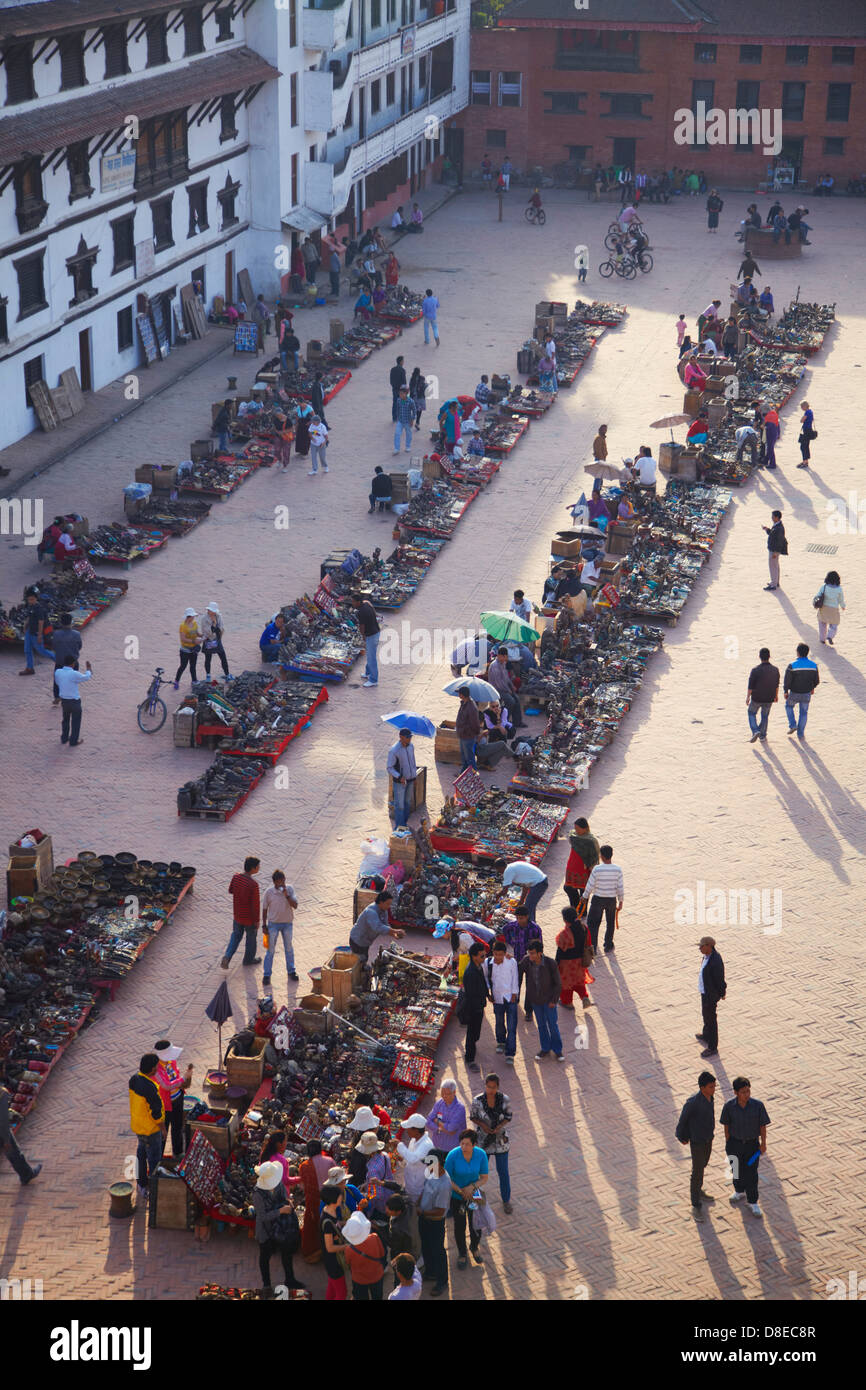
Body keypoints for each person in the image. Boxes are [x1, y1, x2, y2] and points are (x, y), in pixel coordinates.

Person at [721, 1077, 770, 1218]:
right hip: (734, 1145)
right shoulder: (729, 1106)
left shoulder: (758, 1106)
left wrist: (763, 1143)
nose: (746, 1094)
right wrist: (728, 1141)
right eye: (743, 1092)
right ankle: (739, 1191)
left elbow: (762, 1126)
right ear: (736, 1093)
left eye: (748, 1091)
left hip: (752, 1146)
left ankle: (753, 1202)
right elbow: (726, 1124)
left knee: (751, 1173)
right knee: (735, 1169)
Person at [253, 1160, 304, 1289]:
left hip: (281, 1227)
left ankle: (290, 1279)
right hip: (265, 1230)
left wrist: (289, 1202)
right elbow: (262, 1216)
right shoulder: (257, 1194)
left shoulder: (279, 1184)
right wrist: (280, 1211)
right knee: (265, 1256)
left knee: (286, 1254)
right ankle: (267, 1284)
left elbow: (284, 1197)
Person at [675, 1072, 717, 1222]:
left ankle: (699, 1190)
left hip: (708, 1138)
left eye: (714, 1086)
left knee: (703, 1164)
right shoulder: (693, 1102)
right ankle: (696, 1204)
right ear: (702, 1087)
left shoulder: (710, 1097)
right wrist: (681, 1137)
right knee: (697, 1170)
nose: (714, 1089)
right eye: (711, 1087)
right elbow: (682, 1120)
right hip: (697, 1141)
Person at [445, 1129, 489, 1268]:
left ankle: (474, 1247)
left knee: (476, 1223)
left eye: (467, 1144)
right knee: (460, 1225)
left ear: (474, 1144)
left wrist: (472, 1187)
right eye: (462, 1144)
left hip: (474, 1195)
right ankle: (462, 1253)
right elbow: (447, 1177)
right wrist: (460, 1190)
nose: (464, 1147)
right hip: (457, 1197)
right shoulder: (453, 1155)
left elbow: (484, 1178)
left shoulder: (481, 1155)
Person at [470, 1073, 513, 1212]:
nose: (491, 1090)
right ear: (485, 1086)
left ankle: (506, 1201)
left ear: (498, 1087)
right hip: (483, 1140)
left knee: (503, 1172)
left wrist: (498, 1127)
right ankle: (476, 1198)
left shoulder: (505, 1099)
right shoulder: (477, 1100)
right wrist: (484, 1126)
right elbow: (473, 1117)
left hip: (500, 1140)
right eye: (488, 1087)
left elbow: (508, 1116)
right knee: (478, 1172)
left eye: (493, 1087)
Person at [519, 939, 563, 1062]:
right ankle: (545, 1048)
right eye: (529, 953)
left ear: (540, 953)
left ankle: (558, 1050)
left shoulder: (550, 963)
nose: (530, 955)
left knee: (553, 1025)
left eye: (532, 953)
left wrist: (554, 1000)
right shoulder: (526, 961)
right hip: (535, 1001)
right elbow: (517, 969)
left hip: (549, 1001)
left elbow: (558, 984)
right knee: (542, 1025)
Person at [129, 1053, 165, 1197]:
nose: (157, 1068)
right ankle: (154, 1190)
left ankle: (141, 1184)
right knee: (154, 1160)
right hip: (151, 1130)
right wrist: (162, 1128)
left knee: (141, 1155)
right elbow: (156, 1113)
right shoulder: (150, 1088)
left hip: (139, 1127)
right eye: (156, 1066)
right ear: (151, 1069)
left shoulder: (134, 1080)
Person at [417, 1148, 451, 1296]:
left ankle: (442, 1281)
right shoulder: (431, 1173)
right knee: (426, 1247)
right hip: (424, 1219)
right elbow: (424, 1191)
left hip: (435, 1222)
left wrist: (422, 1212)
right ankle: (430, 1272)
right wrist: (417, 1204)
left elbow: (440, 1211)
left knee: (438, 1251)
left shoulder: (444, 1184)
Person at [581, 845, 624, 955]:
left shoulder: (597, 869)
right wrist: (621, 901)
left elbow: (590, 885)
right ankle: (608, 944)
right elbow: (620, 887)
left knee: (593, 924)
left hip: (598, 899)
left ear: (602, 856)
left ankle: (593, 947)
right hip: (611, 900)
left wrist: (585, 896)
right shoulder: (618, 870)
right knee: (610, 923)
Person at [220, 856, 261, 969]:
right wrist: (257, 921)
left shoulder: (236, 877)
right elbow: (255, 905)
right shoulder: (253, 885)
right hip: (249, 918)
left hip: (237, 915)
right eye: (258, 866)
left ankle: (227, 957)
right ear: (253, 868)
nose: (259, 868)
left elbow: (231, 890)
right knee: (251, 939)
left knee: (236, 936)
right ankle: (248, 959)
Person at [153, 1040, 192, 1157]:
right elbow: (166, 1086)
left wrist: (183, 1079)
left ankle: (178, 1152)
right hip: (166, 1104)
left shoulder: (171, 1061)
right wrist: (183, 1079)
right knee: (163, 1133)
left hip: (178, 1098)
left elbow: (175, 1075)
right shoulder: (156, 1069)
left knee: (177, 1127)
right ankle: (158, 1158)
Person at [0, 1074, 41, 1184]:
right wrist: (6, 1139)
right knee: (14, 1152)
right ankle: (26, 1174)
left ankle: (26, 1173)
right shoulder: (2, 1094)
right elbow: (3, 1120)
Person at [484, 938, 519, 1064]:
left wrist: (515, 993)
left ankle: (510, 1053)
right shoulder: (488, 963)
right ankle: (501, 1042)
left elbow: (515, 977)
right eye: (496, 954)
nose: (498, 957)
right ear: (493, 953)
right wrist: (489, 992)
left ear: (505, 953)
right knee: (499, 1022)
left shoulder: (511, 962)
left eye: (500, 954)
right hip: (497, 997)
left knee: (511, 1026)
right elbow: (486, 978)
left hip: (510, 997)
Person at [262, 870, 298, 986]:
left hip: (287, 924)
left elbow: (295, 905)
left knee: (289, 948)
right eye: (280, 882)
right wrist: (264, 925)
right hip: (273, 924)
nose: (282, 884)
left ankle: (291, 971)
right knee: (270, 950)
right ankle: (267, 975)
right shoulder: (269, 892)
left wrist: (287, 896)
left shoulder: (290, 889)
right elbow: (264, 909)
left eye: (283, 881)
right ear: (275, 882)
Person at [298, 1139, 332, 1262]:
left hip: (312, 1201)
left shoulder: (304, 1166)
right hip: (329, 1200)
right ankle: (329, 1251)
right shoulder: (330, 1161)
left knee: (311, 1226)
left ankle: (312, 1253)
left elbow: (302, 1186)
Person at [342, 1210, 387, 1299]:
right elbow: (382, 1253)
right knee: (377, 1297)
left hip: (359, 1279)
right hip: (376, 1275)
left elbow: (348, 1264)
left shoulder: (348, 1249)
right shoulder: (374, 1237)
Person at [350, 890, 405, 963]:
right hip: (357, 940)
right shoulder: (371, 911)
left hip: (366, 941)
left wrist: (394, 934)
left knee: (364, 959)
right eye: (387, 904)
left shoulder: (384, 911)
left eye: (390, 904)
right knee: (359, 961)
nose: (389, 907)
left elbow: (385, 925)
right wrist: (395, 931)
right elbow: (377, 927)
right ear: (381, 902)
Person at [695, 935, 726, 1058]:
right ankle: (706, 1035)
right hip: (704, 992)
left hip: (711, 995)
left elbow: (719, 979)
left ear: (709, 946)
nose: (700, 949)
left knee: (711, 1019)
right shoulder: (707, 956)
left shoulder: (715, 960)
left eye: (701, 946)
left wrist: (722, 992)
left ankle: (712, 1047)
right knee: (706, 1016)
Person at [395, 1112, 434, 1208]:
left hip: (419, 1188)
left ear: (416, 1130)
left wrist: (399, 1145)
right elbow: (409, 1159)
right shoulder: (413, 1140)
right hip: (410, 1185)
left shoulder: (426, 1145)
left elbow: (413, 1159)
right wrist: (401, 1159)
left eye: (409, 1128)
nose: (407, 1131)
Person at [461, 941, 489, 1074]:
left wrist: (487, 995)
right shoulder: (471, 972)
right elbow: (471, 994)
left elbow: (483, 983)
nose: (484, 957)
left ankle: (471, 1049)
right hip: (473, 1008)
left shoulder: (478, 966)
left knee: (475, 1032)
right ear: (474, 956)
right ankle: (470, 1059)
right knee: (472, 1033)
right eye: (481, 955)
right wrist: (477, 1007)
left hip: (479, 1005)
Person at [556, 906, 591, 1010]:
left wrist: (556, 963)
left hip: (566, 963)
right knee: (579, 980)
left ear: (564, 919)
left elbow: (560, 951)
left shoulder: (564, 934)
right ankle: (584, 997)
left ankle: (567, 1003)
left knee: (566, 984)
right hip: (580, 961)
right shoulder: (584, 928)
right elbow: (588, 943)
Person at [784, 642, 820, 739]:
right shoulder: (814, 665)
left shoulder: (792, 665)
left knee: (788, 706)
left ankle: (792, 724)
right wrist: (812, 688)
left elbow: (787, 680)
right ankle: (800, 733)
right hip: (806, 693)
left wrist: (785, 691)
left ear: (798, 652)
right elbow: (816, 681)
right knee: (803, 713)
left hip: (794, 692)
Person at [319, 1183, 349, 1300]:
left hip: (332, 1260)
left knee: (332, 1287)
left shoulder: (330, 1210)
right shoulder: (327, 1222)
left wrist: (346, 1223)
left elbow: (336, 1224)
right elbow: (330, 1247)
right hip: (333, 1261)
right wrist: (346, 1247)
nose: (341, 1197)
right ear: (333, 1199)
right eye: (339, 1196)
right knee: (342, 1293)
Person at [56, 655, 92, 748]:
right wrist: (88, 669)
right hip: (74, 701)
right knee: (76, 721)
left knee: (65, 719)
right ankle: (73, 741)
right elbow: (86, 677)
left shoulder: (58, 672)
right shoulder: (74, 674)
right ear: (72, 664)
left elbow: (57, 682)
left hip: (64, 701)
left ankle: (64, 738)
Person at [564, 816, 600, 908]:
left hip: (583, 870)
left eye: (578, 828)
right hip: (572, 867)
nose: (576, 830)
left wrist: (594, 872)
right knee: (568, 888)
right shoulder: (573, 836)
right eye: (575, 828)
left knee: (583, 891)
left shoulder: (591, 841)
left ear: (585, 828)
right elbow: (569, 837)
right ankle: (575, 906)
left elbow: (594, 857)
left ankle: (582, 911)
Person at [746, 647, 780, 743]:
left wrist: (748, 697)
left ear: (759, 657)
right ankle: (762, 736)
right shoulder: (775, 670)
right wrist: (776, 696)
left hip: (757, 697)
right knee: (765, 716)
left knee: (751, 713)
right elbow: (777, 685)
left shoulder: (755, 670)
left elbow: (750, 686)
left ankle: (755, 730)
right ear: (769, 656)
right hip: (769, 697)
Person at [486, 646, 525, 728]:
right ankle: (504, 721)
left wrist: (512, 686)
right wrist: (508, 690)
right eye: (504, 657)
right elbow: (499, 683)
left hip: (504, 688)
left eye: (506, 657)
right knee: (510, 701)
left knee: (517, 699)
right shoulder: (494, 666)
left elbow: (506, 678)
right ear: (499, 656)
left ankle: (517, 722)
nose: (506, 659)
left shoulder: (503, 663)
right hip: (496, 690)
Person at [19, 587, 54, 676]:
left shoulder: (39, 609)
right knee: (27, 650)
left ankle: (59, 661)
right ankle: (30, 668)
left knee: (41, 651)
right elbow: (29, 616)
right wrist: (25, 624)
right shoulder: (31, 606)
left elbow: (41, 622)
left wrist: (39, 635)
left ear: (36, 598)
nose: (30, 601)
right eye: (29, 599)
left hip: (36, 633)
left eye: (32, 599)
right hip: (29, 631)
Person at [387, 727, 417, 827]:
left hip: (410, 779)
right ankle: (399, 826)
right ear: (401, 737)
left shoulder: (411, 746)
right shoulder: (394, 751)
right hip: (400, 782)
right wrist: (399, 777)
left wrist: (414, 776)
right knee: (399, 805)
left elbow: (413, 762)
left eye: (410, 737)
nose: (409, 739)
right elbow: (389, 768)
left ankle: (404, 823)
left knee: (407, 802)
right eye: (407, 737)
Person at [350, 591, 380, 689]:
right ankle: (368, 673)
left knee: (372, 657)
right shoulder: (366, 604)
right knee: (370, 654)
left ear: (358, 602)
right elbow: (369, 604)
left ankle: (373, 680)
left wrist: (363, 637)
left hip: (371, 635)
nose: (352, 603)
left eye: (353, 602)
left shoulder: (361, 612)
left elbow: (361, 626)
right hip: (376, 631)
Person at [453, 684, 481, 772]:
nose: (458, 695)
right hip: (462, 735)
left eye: (459, 693)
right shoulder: (464, 703)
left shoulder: (471, 707)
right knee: (464, 757)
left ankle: (474, 777)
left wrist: (468, 731)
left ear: (462, 695)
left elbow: (475, 724)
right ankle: (463, 774)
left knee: (470, 758)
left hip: (468, 736)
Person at [814, 570, 845, 646]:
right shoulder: (839, 589)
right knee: (834, 625)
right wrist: (843, 606)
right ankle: (830, 636)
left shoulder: (824, 587)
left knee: (822, 624)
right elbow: (841, 599)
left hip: (824, 608)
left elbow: (818, 595)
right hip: (834, 609)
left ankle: (822, 639)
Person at [201, 601, 230, 680]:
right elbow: (207, 632)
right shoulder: (204, 618)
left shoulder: (219, 616)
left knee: (223, 657)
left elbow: (221, 628)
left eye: (211, 610)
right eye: (209, 610)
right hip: (208, 640)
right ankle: (208, 676)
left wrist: (217, 632)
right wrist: (213, 624)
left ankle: (227, 674)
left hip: (217, 640)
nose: (209, 611)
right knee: (208, 658)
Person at [174, 607, 200, 688]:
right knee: (183, 666)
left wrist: (202, 636)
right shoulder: (183, 626)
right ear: (189, 616)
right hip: (185, 650)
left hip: (193, 649)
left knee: (193, 666)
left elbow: (197, 633)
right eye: (193, 616)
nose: (194, 617)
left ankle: (194, 680)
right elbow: (183, 639)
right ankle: (177, 681)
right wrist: (194, 641)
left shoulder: (195, 624)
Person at [763, 509, 787, 591]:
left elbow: (779, 541)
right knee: (775, 566)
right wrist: (767, 529)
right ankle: (775, 582)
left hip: (774, 550)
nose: (771, 518)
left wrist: (776, 552)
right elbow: (773, 534)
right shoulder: (777, 525)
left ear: (777, 517)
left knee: (773, 566)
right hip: (774, 550)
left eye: (773, 516)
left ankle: (773, 584)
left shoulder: (779, 528)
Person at [393, 385, 415, 454]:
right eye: (399, 393)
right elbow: (398, 408)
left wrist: (412, 420)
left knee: (408, 434)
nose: (400, 395)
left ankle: (408, 446)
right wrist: (397, 417)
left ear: (406, 394)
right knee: (397, 433)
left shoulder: (411, 401)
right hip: (400, 421)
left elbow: (414, 411)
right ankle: (397, 448)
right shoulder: (399, 400)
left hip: (407, 421)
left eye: (402, 394)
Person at [761, 404, 780, 469]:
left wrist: (764, 427)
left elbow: (769, 426)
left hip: (770, 434)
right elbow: (778, 424)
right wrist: (778, 434)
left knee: (770, 449)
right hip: (775, 433)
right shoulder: (774, 413)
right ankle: (767, 461)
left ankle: (772, 464)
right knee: (770, 448)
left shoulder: (768, 416)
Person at [797, 400, 814, 469]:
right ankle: (806, 461)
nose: (801, 408)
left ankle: (805, 462)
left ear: (804, 406)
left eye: (801, 407)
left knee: (803, 446)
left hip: (806, 431)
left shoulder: (807, 412)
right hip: (809, 430)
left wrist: (802, 419)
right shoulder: (810, 411)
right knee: (806, 446)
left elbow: (802, 420)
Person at [389, 355, 407, 420]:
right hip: (401, 390)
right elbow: (404, 382)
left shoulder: (393, 369)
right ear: (401, 362)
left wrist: (393, 386)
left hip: (395, 389)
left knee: (395, 403)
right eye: (403, 361)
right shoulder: (402, 370)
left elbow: (391, 380)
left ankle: (394, 417)